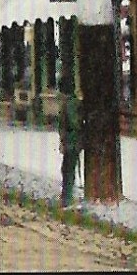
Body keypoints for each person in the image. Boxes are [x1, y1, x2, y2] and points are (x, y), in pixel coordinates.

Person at [57, 75, 82, 207]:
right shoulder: (71, 102)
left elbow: (73, 123)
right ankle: (66, 195)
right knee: (66, 168)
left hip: (72, 141)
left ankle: (67, 197)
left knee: (68, 169)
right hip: (70, 140)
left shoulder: (70, 104)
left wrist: (66, 138)